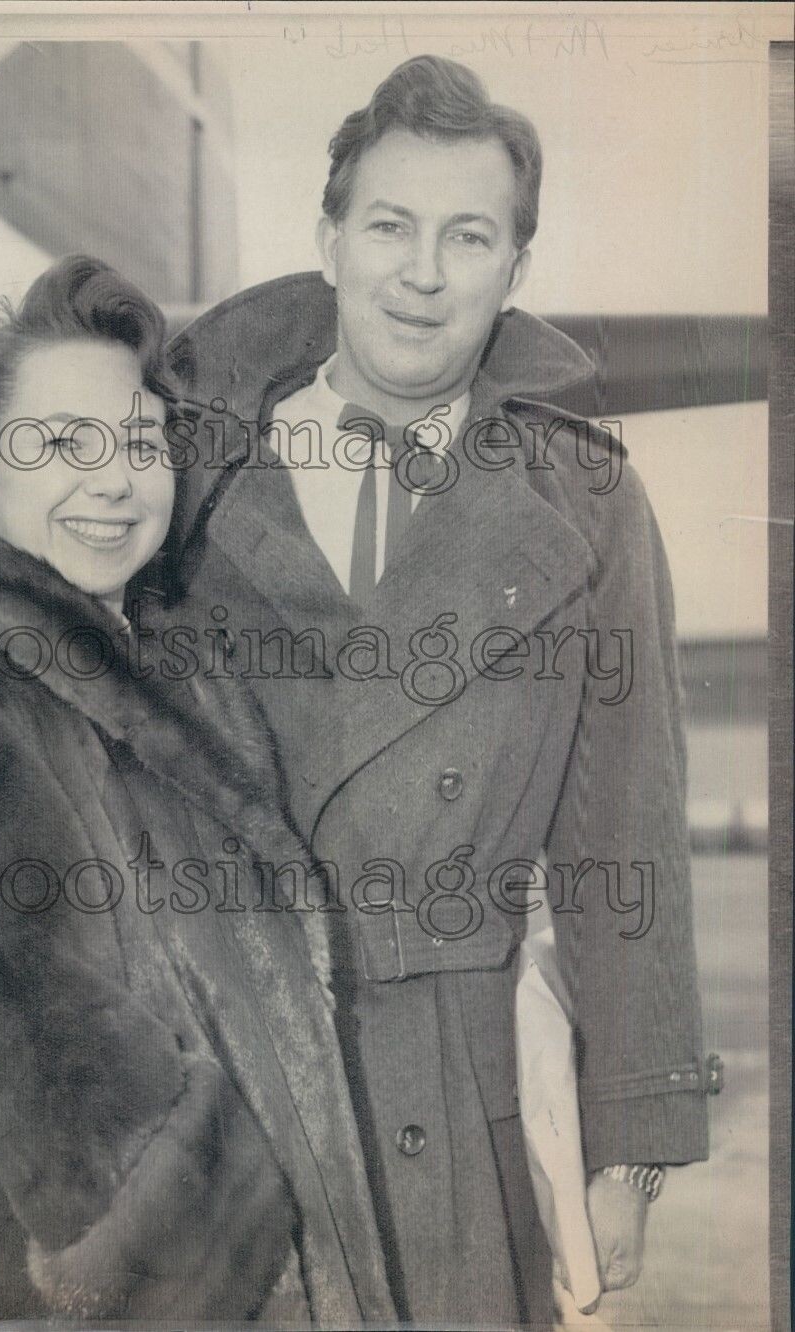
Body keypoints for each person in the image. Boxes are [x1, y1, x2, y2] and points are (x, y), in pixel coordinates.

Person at [159, 56, 716, 1326]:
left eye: (468, 237)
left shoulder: (583, 495)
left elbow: (624, 834)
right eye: (389, 226)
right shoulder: (177, 482)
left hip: (462, 1093)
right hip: (222, 1087)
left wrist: (630, 1145)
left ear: (514, 269)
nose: (422, 272)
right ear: (329, 241)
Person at [0, 257, 397, 1325]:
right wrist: (246, 1238)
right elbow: (22, 1019)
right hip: (23, 1288)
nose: (114, 482)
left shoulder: (175, 679)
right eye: (61, 445)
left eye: (136, 443)